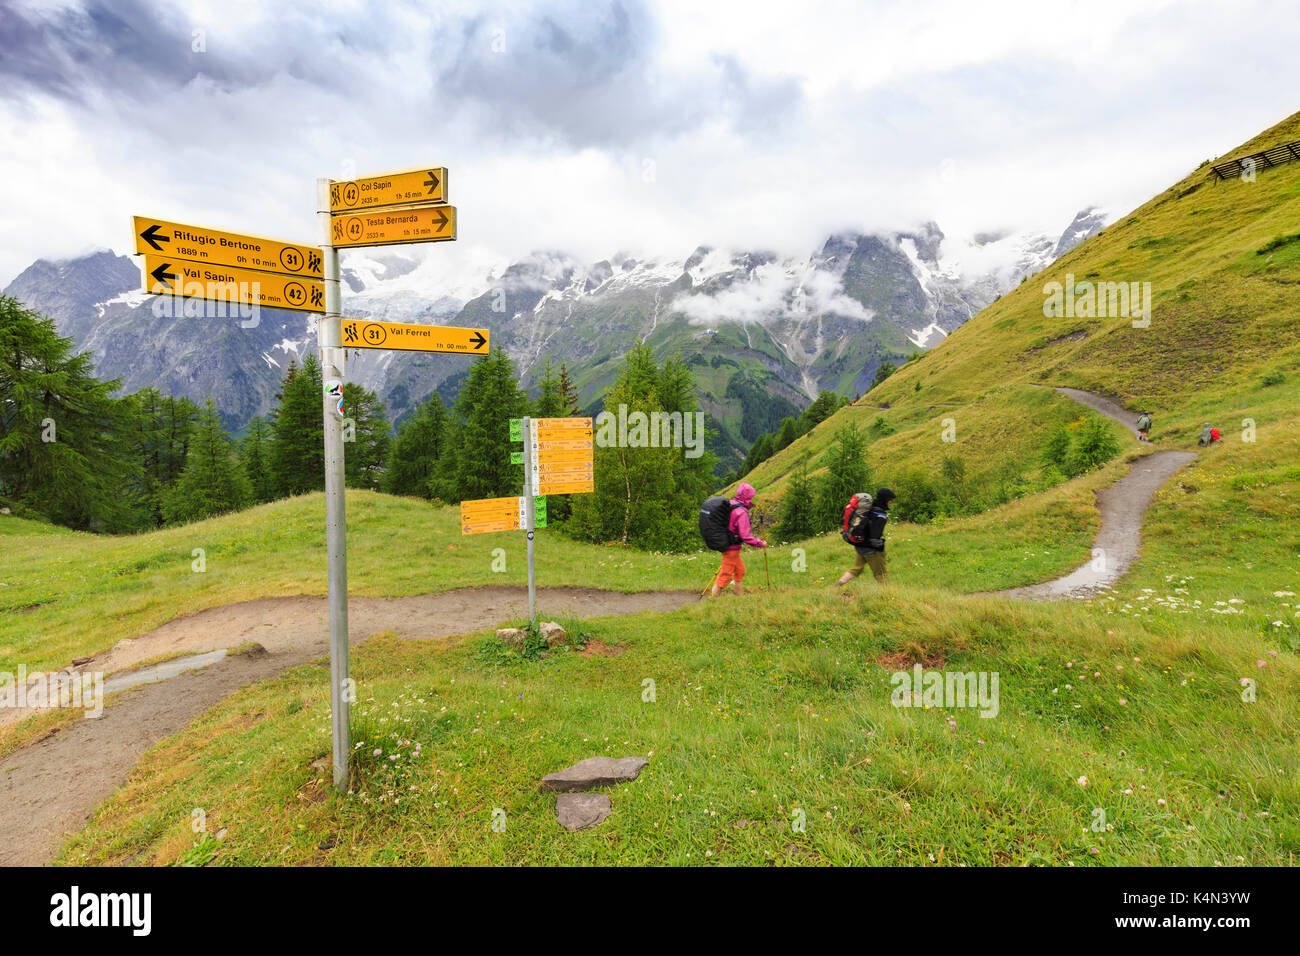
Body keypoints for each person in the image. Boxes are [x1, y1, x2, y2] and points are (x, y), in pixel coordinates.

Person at [709, 482, 766, 597]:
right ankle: (713, 600)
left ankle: (738, 595)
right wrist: (760, 543)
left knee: (740, 571)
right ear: (747, 497)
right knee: (725, 575)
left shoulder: (731, 504)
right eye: (751, 497)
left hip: (728, 544)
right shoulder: (741, 512)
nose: (752, 499)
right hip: (731, 548)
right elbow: (745, 536)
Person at [837, 487, 895, 585]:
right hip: (871, 550)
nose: (891, 502)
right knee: (881, 574)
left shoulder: (869, 508)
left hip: (859, 545)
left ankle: (836, 586)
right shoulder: (879, 514)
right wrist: (880, 547)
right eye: (890, 500)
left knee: (855, 569)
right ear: (885, 499)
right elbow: (875, 537)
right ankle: (885, 596)